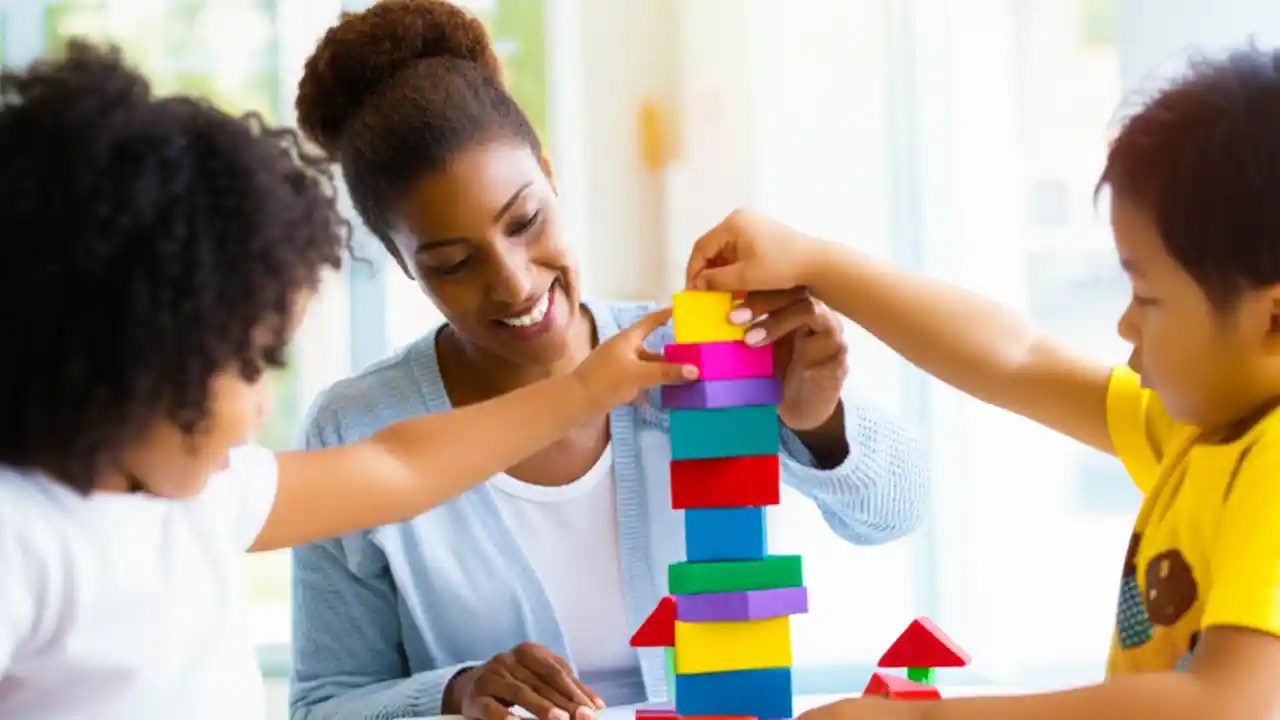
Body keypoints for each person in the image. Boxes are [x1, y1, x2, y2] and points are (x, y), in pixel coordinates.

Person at [0, 40, 694, 720]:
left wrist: (583, 391)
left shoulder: (204, 496)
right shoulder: (23, 538)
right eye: (250, 364)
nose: (259, 407)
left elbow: (399, 466)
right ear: (123, 358)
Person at [286, 2, 930, 719]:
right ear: (405, 265)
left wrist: (819, 424)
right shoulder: (356, 427)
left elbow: (897, 513)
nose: (515, 282)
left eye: (525, 222)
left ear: (552, 178)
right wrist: (453, 692)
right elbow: (322, 705)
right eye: (453, 262)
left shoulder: (691, 356)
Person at [684, 46, 1280, 720]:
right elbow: (1016, 358)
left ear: (1272, 318)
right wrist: (815, 262)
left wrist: (917, 717)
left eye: (1146, 296)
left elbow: (1228, 705)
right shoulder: (1209, 434)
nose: (1124, 324)